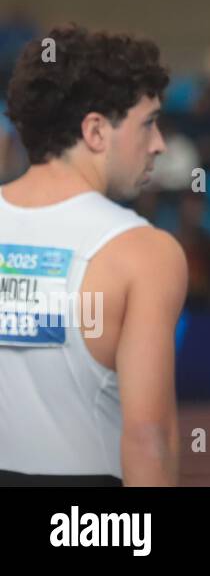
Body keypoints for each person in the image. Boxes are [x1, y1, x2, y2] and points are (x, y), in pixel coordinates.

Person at [0, 25, 186, 485]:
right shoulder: (144, 253)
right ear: (96, 131)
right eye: (148, 122)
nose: (159, 143)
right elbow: (149, 439)